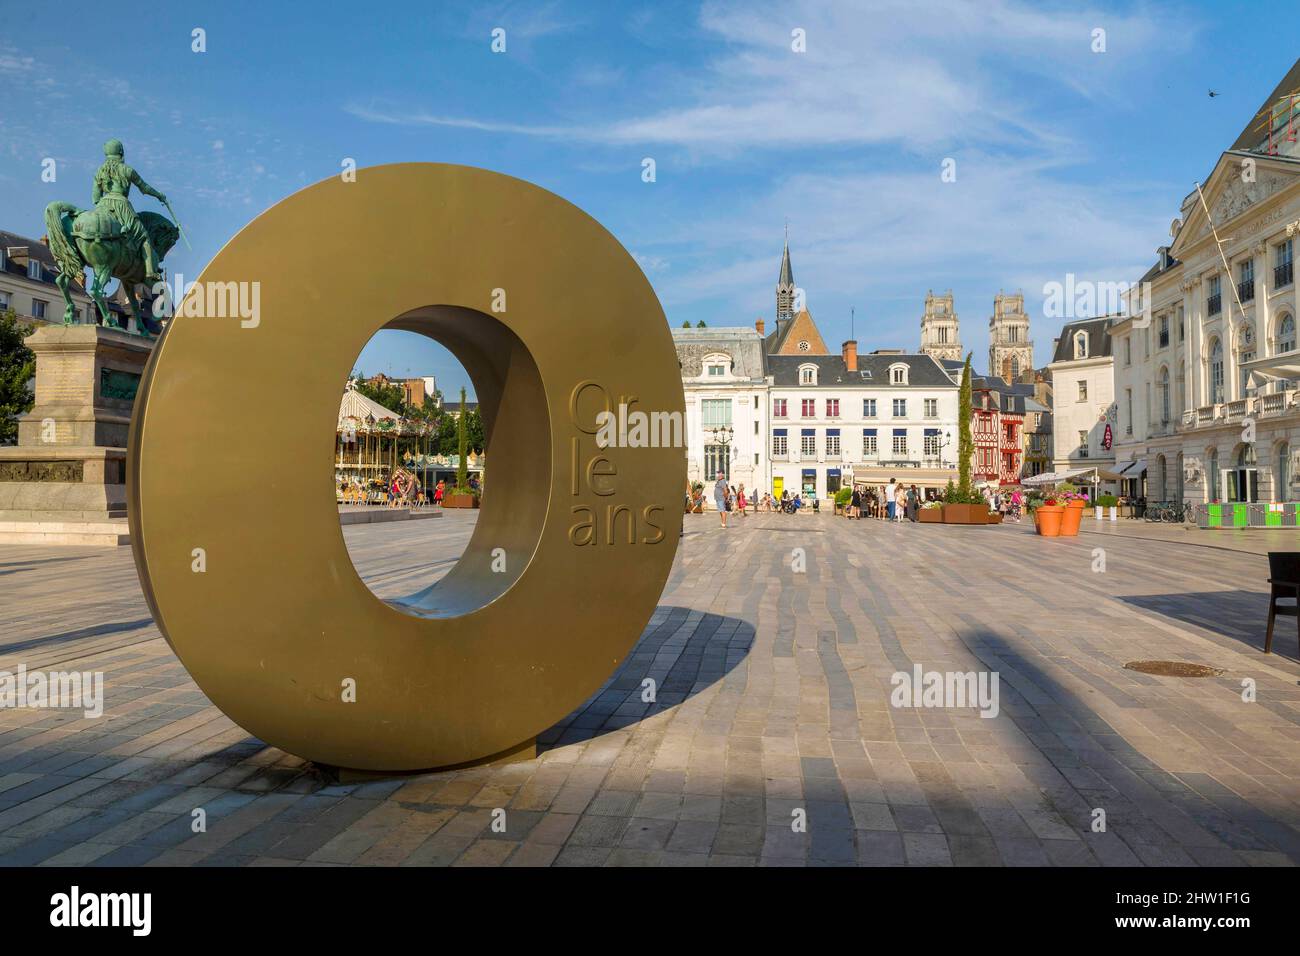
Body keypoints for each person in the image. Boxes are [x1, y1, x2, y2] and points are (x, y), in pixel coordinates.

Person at [92, 139, 168, 282]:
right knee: (144, 236)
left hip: (102, 206)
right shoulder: (127, 170)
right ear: (120, 152)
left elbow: (95, 197)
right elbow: (144, 188)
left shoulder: (99, 171)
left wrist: (102, 206)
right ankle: (150, 272)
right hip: (122, 206)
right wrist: (159, 195)